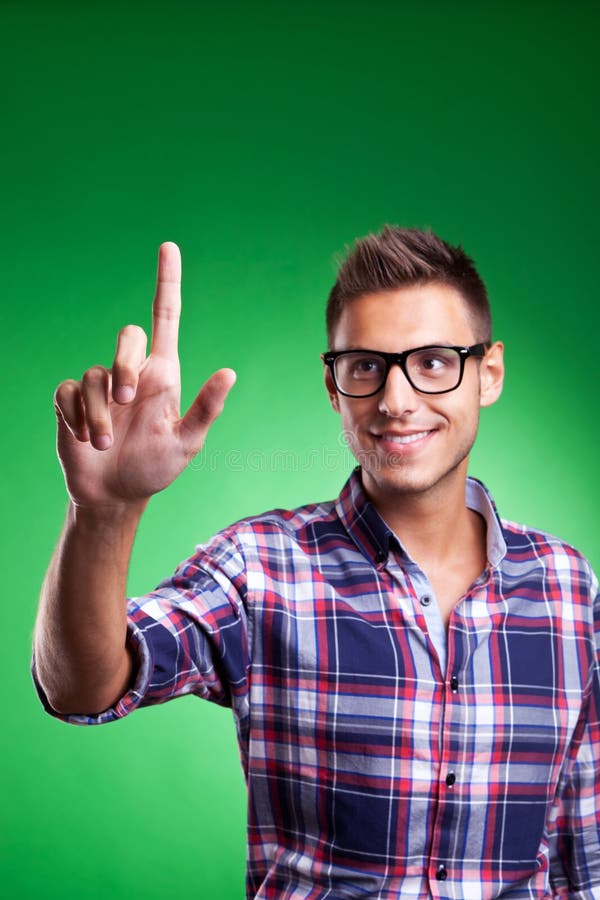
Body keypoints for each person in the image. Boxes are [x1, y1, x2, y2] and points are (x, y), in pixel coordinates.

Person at [33, 228, 599, 899]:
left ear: (489, 372)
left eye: (436, 361)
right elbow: (84, 687)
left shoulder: (568, 587)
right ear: (333, 385)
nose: (396, 400)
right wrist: (107, 512)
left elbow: (581, 856)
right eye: (366, 366)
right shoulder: (260, 568)